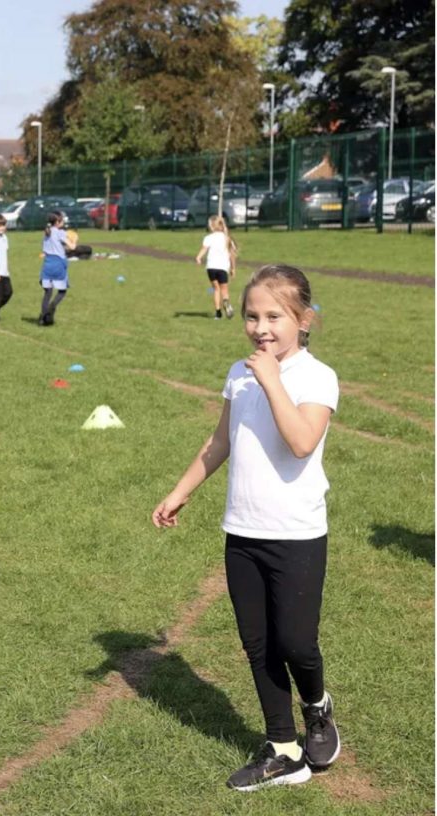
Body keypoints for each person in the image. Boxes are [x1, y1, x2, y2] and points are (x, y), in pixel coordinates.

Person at [152, 264, 340, 792]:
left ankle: (317, 705)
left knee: (296, 643)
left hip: (297, 534)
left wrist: (273, 380)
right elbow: (221, 441)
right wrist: (180, 491)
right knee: (258, 645)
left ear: (304, 319)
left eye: (274, 317)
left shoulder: (316, 377)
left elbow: (301, 442)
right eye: (252, 316)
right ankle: (283, 750)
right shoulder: (239, 372)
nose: (261, 328)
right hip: (243, 532)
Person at [37, 211, 76, 326]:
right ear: (58, 222)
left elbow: (46, 249)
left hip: (47, 264)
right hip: (58, 264)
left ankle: (42, 318)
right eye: (62, 220)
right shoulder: (60, 233)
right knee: (62, 291)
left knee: (47, 293)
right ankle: (52, 307)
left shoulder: (47, 233)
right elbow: (72, 247)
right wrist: (74, 240)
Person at [196, 215, 238, 319]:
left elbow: (204, 249)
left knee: (215, 289)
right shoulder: (227, 239)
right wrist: (233, 268)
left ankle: (218, 313)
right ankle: (226, 302)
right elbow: (232, 255)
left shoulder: (208, 238)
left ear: (212, 226)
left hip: (211, 267)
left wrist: (198, 257)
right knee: (224, 289)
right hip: (222, 268)